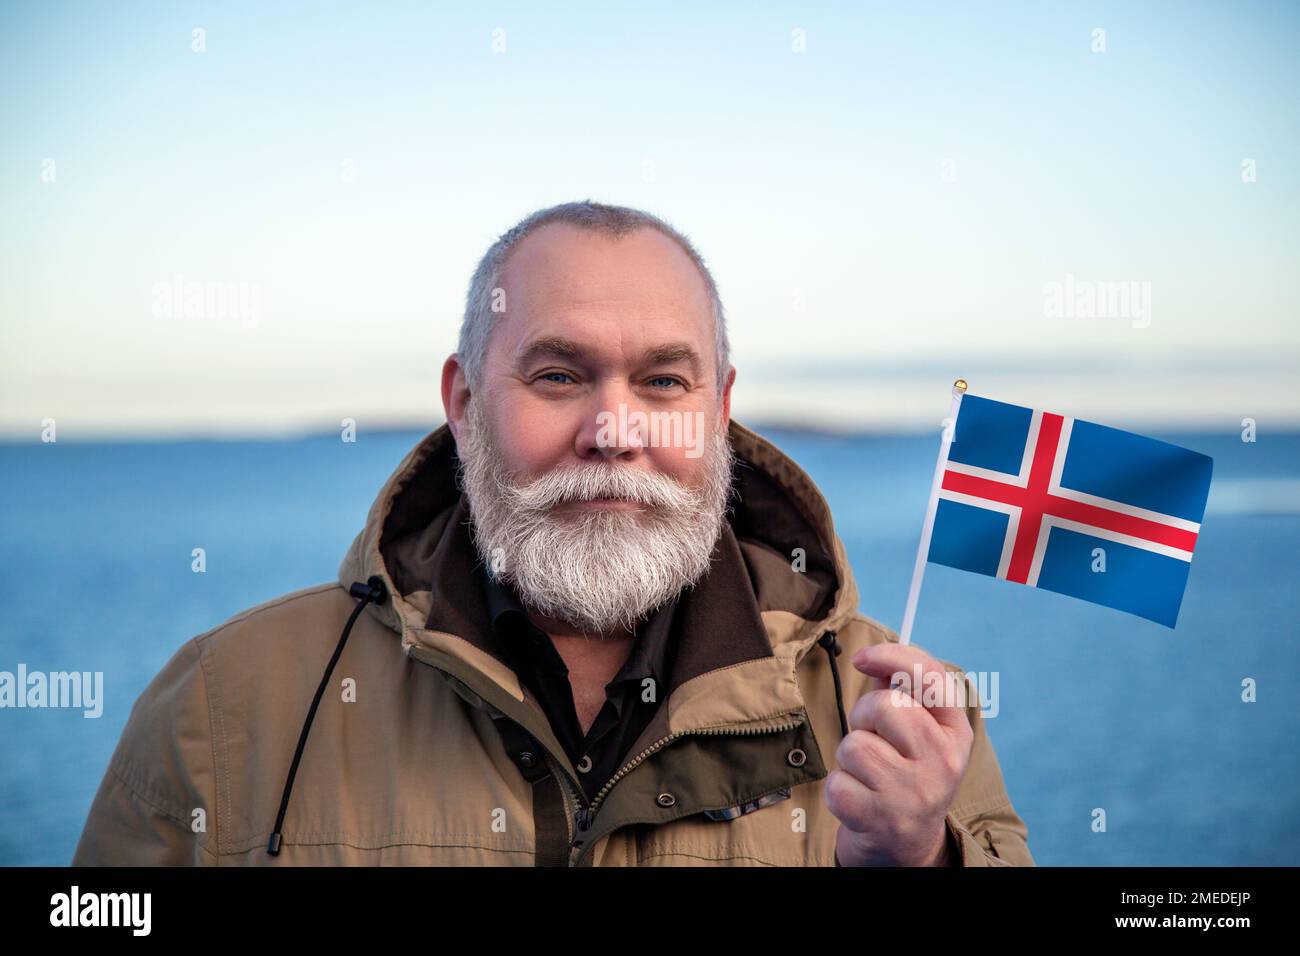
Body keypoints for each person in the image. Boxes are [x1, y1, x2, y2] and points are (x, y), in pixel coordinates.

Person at [72, 200, 1033, 866]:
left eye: (663, 382)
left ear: (718, 410)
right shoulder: (228, 705)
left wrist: (922, 861)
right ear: (464, 403)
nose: (613, 431)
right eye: (559, 377)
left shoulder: (900, 719)